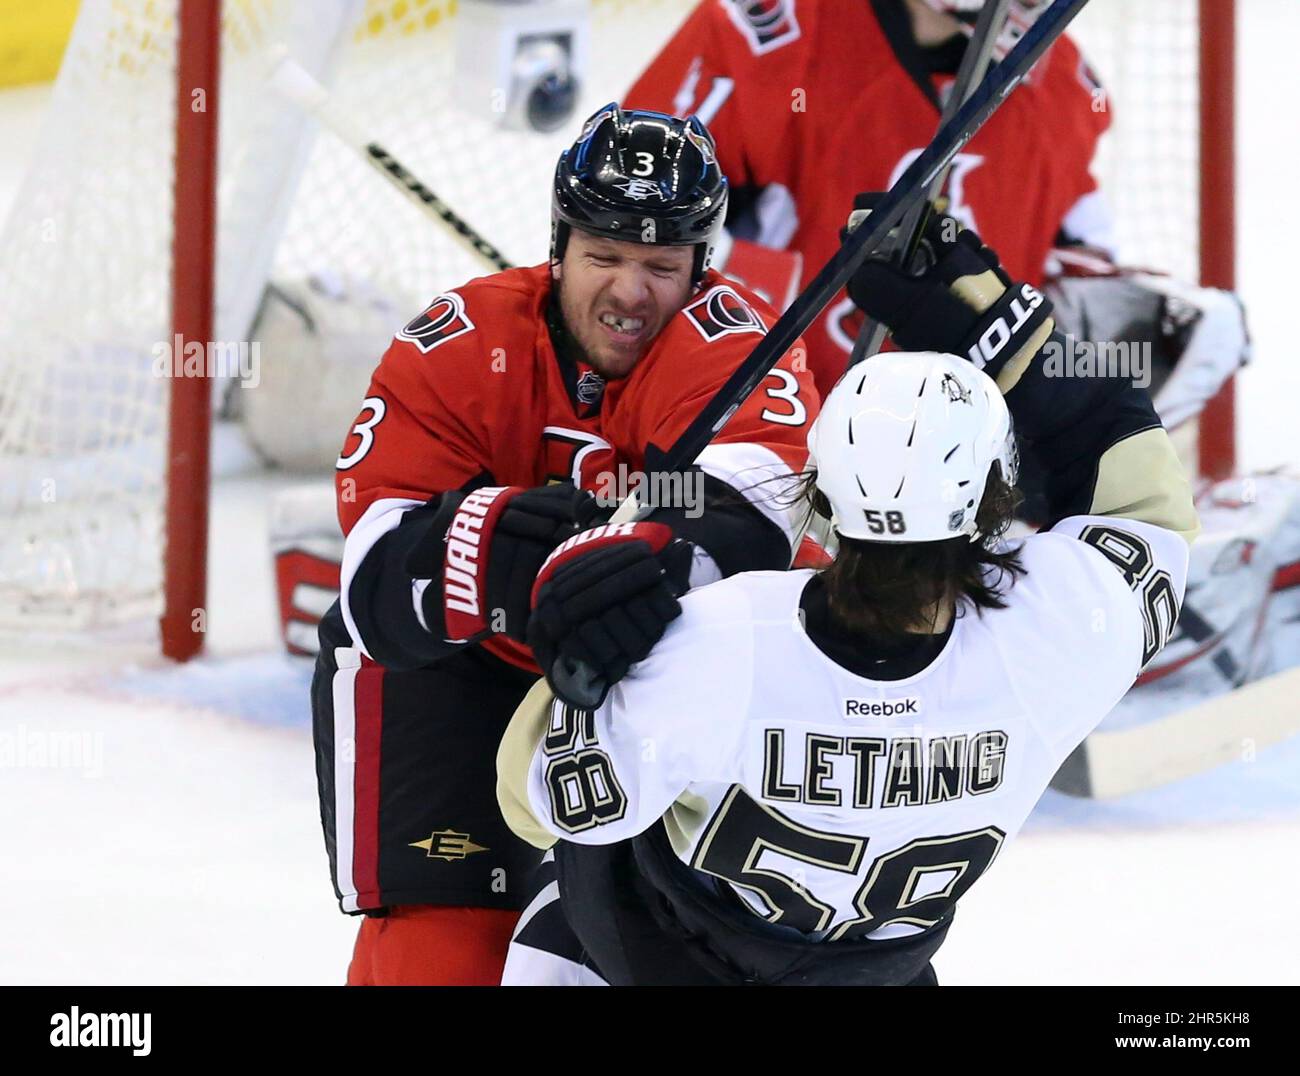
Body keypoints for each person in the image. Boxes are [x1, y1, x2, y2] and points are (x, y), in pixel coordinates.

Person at [495, 203, 1198, 985]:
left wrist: (577, 662)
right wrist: (999, 321)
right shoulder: (1062, 631)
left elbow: (534, 806)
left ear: (821, 504)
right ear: (999, 495)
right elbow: (1140, 492)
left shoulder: (712, 641)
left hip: (636, 959)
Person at [311, 103, 822, 985]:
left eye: (662, 265)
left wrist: (622, 568)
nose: (631, 291)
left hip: (660, 682)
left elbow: (751, 523)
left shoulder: (736, 347)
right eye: (606, 257)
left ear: (701, 268)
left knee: (650, 955)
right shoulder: (459, 343)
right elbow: (376, 585)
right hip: (464, 667)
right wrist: (483, 557)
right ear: (559, 248)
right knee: (442, 955)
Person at [625, 0, 1247, 472]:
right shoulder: (766, 34)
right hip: (766, 440)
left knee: (1206, 328)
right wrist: (788, 298)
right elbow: (630, 227)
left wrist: (1080, 353)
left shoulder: (1057, 76)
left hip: (960, 458)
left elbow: (1075, 254)